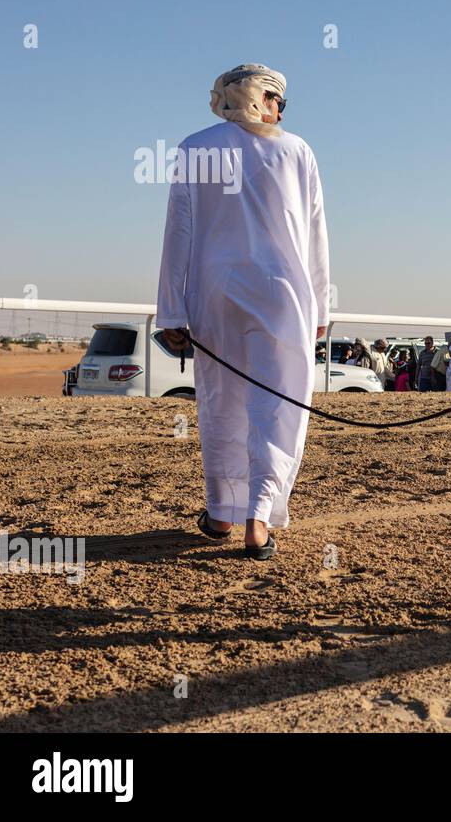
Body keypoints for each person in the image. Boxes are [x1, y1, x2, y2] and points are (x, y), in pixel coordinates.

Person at [157, 63, 328, 560]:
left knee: (221, 400)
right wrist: (320, 303)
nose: (281, 111)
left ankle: (221, 513)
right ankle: (259, 518)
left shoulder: (195, 147)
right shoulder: (298, 151)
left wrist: (172, 309)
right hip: (285, 293)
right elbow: (316, 234)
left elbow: (179, 231)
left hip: (214, 293)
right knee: (279, 403)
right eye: (279, 101)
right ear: (262, 99)